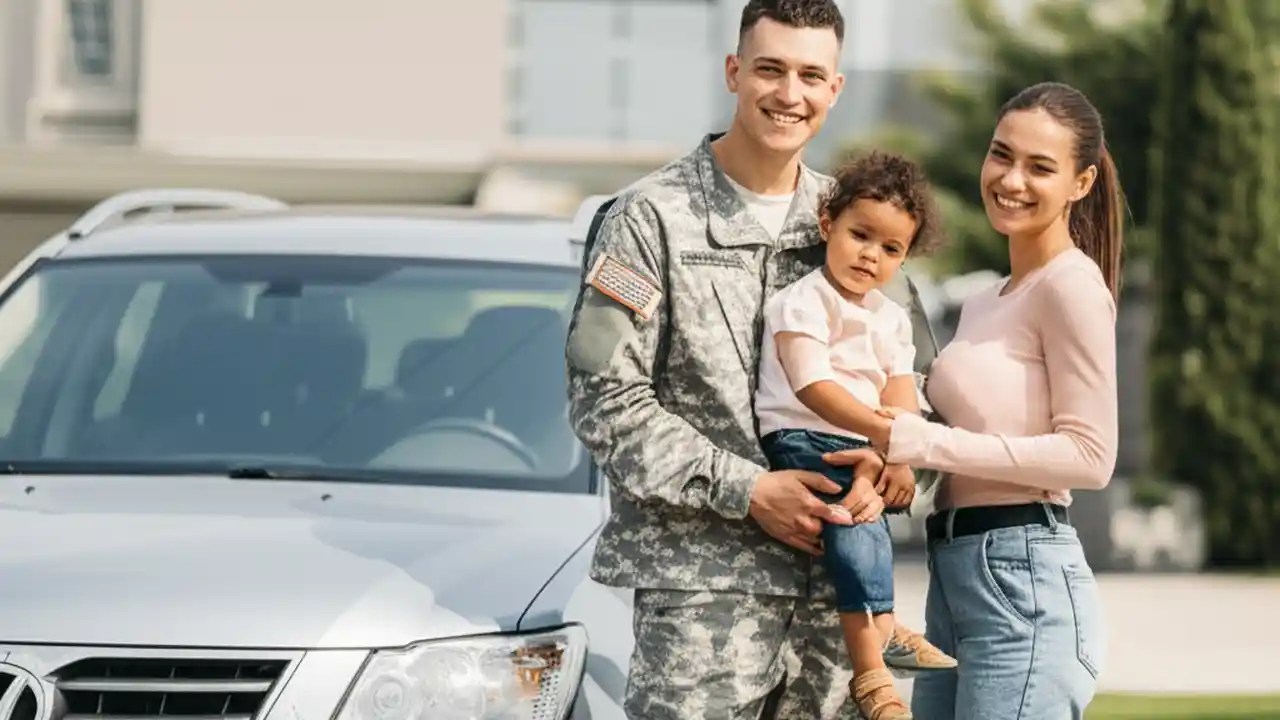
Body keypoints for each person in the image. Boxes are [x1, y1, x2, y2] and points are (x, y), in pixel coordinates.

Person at [564, 0, 937, 717]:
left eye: (809, 75)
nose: (788, 94)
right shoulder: (648, 221)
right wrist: (747, 489)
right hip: (704, 600)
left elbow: (921, 391)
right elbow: (605, 400)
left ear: (836, 89)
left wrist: (895, 468)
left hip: (840, 608)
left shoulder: (864, 223)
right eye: (769, 69)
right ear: (734, 73)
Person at [829, 81, 1120, 719]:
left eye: (1040, 167)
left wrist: (918, 439)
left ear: (1082, 182)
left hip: (1024, 580)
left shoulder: (1072, 286)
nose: (1011, 179)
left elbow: (1090, 456)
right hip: (955, 573)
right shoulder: (987, 299)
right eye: (1001, 154)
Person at [755, 150, 957, 720]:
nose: (872, 255)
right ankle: (874, 673)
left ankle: (883, 634)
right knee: (855, 524)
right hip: (800, 437)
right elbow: (811, 385)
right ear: (828, 225)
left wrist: (894, 456)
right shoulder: (801, 301)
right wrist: (877, 435)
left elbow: (900, 393)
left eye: (891, 248)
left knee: (865, 527)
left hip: (864, 446)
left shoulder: (891, 318)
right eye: (860, 235)